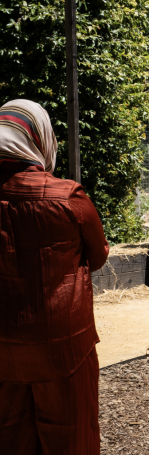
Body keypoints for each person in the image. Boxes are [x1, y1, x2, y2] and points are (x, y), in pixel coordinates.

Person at [0, 99, 109, 454]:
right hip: (65, 346)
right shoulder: (67, 195)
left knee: (10, 436)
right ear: (40, 138)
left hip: (4, 347)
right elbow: (98, 256)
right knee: (72, 436)